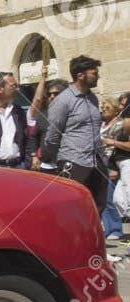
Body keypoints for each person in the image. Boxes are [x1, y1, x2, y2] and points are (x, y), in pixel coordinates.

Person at [41, 55, 110, 210]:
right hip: (74, 162)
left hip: (96, 161)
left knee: (97, 207)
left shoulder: (92, 98)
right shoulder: (63, 100)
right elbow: (52, 135)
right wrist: (61, 158)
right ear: (80, 75)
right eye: (94, 73)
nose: (97, 76)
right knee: (74, 208)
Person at [102, 91, 130, 242]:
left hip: (121, 163)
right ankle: (111, 228)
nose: (103, 110)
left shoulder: (122, 125)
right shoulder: (104, 123)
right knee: (113, 199)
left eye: (107, 108)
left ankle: (116, 229)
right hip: (110, 161)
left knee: (122, 199)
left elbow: (121, 147)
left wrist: (113, 143)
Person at [29, 80, 68, 173]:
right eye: (49, 94)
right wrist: (34, 156)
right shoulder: (43, 115)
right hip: (46, 166)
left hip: (66, 166)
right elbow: (33, 137)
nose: (52, 96)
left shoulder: (72, 115)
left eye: (56, 94)